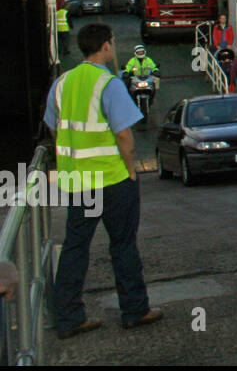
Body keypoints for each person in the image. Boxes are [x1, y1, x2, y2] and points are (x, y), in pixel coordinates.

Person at [43, 23, 162, 337]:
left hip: (79, 182)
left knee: (75, 247)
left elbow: (54, 130)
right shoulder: (108, 84)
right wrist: (130, 169)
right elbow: (124, 136)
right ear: (107, 46)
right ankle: (135, 310)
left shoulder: (62, 83)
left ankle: (68, 318)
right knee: (122, 245)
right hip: (112, 179)